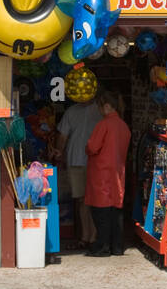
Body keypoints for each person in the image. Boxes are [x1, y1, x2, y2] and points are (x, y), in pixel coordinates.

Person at [53, 93, 103, 250]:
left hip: (96, 161)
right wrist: (59, 153)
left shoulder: (100, 110)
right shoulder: (71, 111)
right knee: (81, 200)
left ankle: (94, 235)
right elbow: (63, 136)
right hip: (76, 160)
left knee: (93, 200)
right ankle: (85, 236)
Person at [84, 90, 131, 256]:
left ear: (106, 106)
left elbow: (92, 147)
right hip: (117, 173)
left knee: (100, 211)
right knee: (115, 211)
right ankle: (116, 246)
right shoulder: (124, 126)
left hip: (101, 173)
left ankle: (103, 245)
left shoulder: (103, 124)